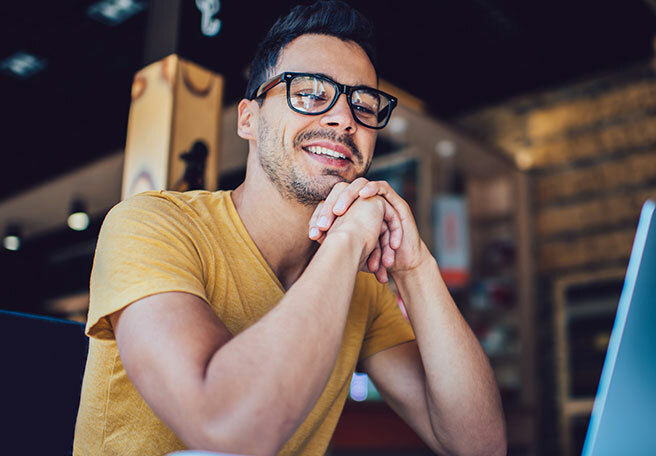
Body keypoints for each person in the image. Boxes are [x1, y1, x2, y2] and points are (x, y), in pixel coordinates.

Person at [73, 1, 506, 455]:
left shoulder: (364, 288)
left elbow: (479, 446)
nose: (344, 120)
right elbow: (225, 425)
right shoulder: (153, 225)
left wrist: (416, 267)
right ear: (249, 118)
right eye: (311, 93)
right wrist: (347, 238)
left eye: (363, 104)